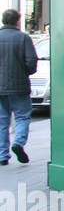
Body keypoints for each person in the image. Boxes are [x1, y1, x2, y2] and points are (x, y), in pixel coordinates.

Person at [0, 9, 37, 166]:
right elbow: (31, 62)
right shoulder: (23, 38)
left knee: (2, 121)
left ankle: (2, 155)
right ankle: (18, 143)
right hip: (19, 86)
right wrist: (25, 72)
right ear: (17, 21)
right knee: (22, 117)